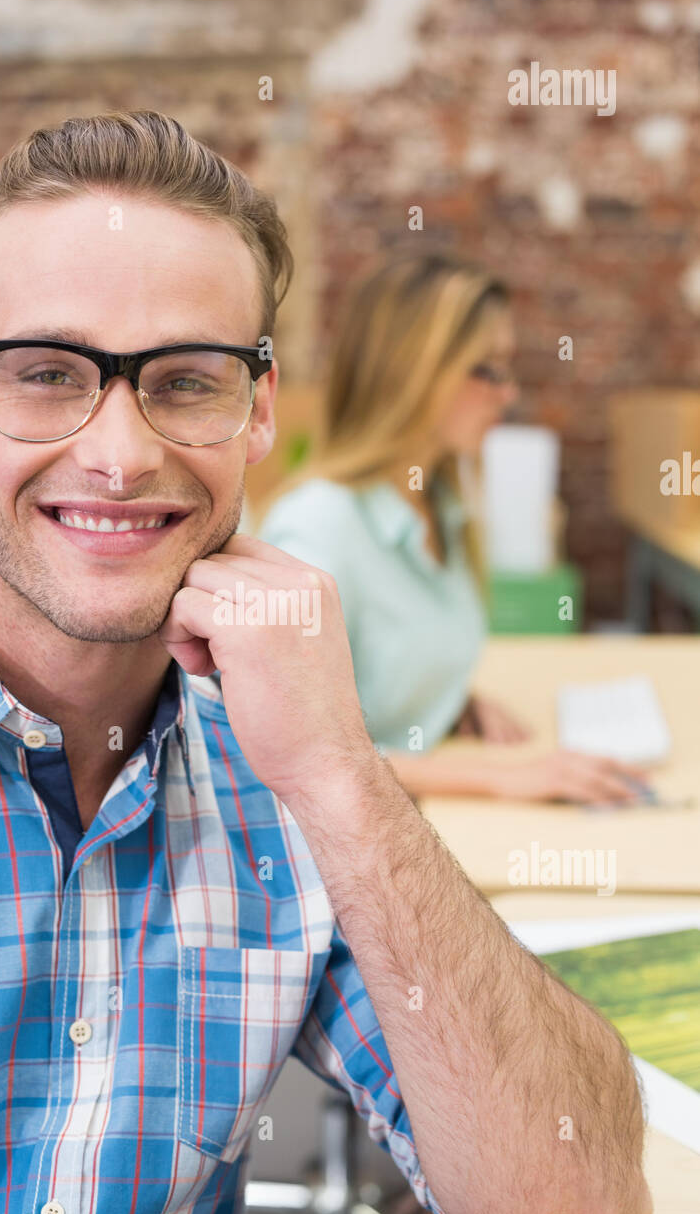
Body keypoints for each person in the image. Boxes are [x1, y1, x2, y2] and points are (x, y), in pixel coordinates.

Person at [0, 112, 650, 1214]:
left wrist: (341, 777)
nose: (117, 453)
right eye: (47, 373)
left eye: (184, 381)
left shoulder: (280, 778)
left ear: (258, 412)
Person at [259, 255, 650, 805]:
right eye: (487, 369)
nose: (508, 394)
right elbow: (291, 759)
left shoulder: (439, 502)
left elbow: (379, 686)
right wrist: (500, 777)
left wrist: (444, 703)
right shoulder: (315, 532)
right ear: (412, 372)